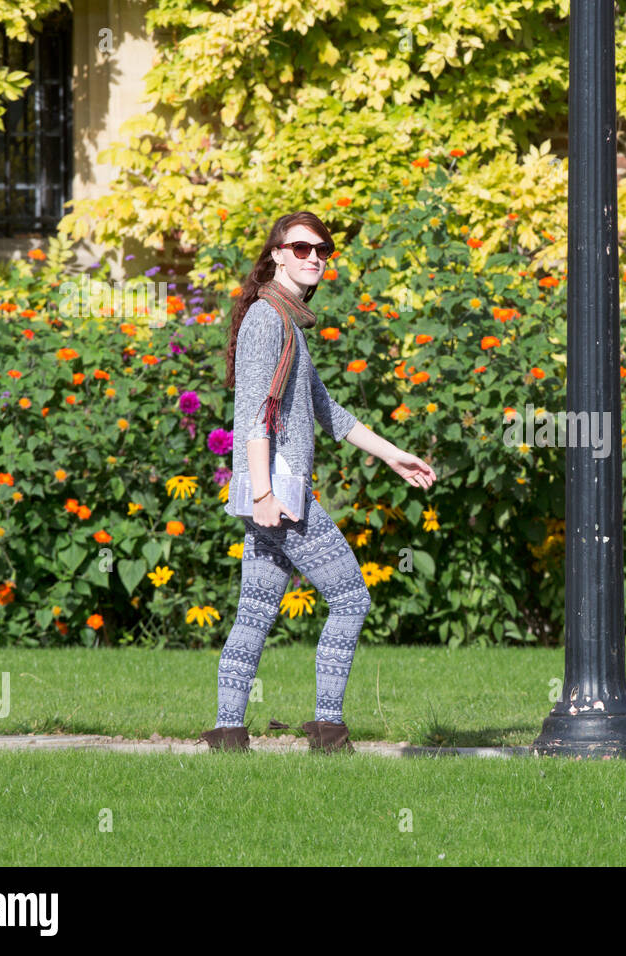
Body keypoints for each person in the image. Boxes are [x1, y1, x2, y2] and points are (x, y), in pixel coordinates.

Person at [199, 211, 436, 753]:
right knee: (352, 598)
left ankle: (228, 733)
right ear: (277, 254)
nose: (314, 258)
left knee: (254, 612)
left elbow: (326, 409)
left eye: (322, 250)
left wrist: (394, 455)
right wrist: (263, 494)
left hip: (270, 490)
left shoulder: (286, 321)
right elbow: (254, 415)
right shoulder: (267, 318)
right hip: (277, 492)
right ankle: (327, 730)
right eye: (301, 248)